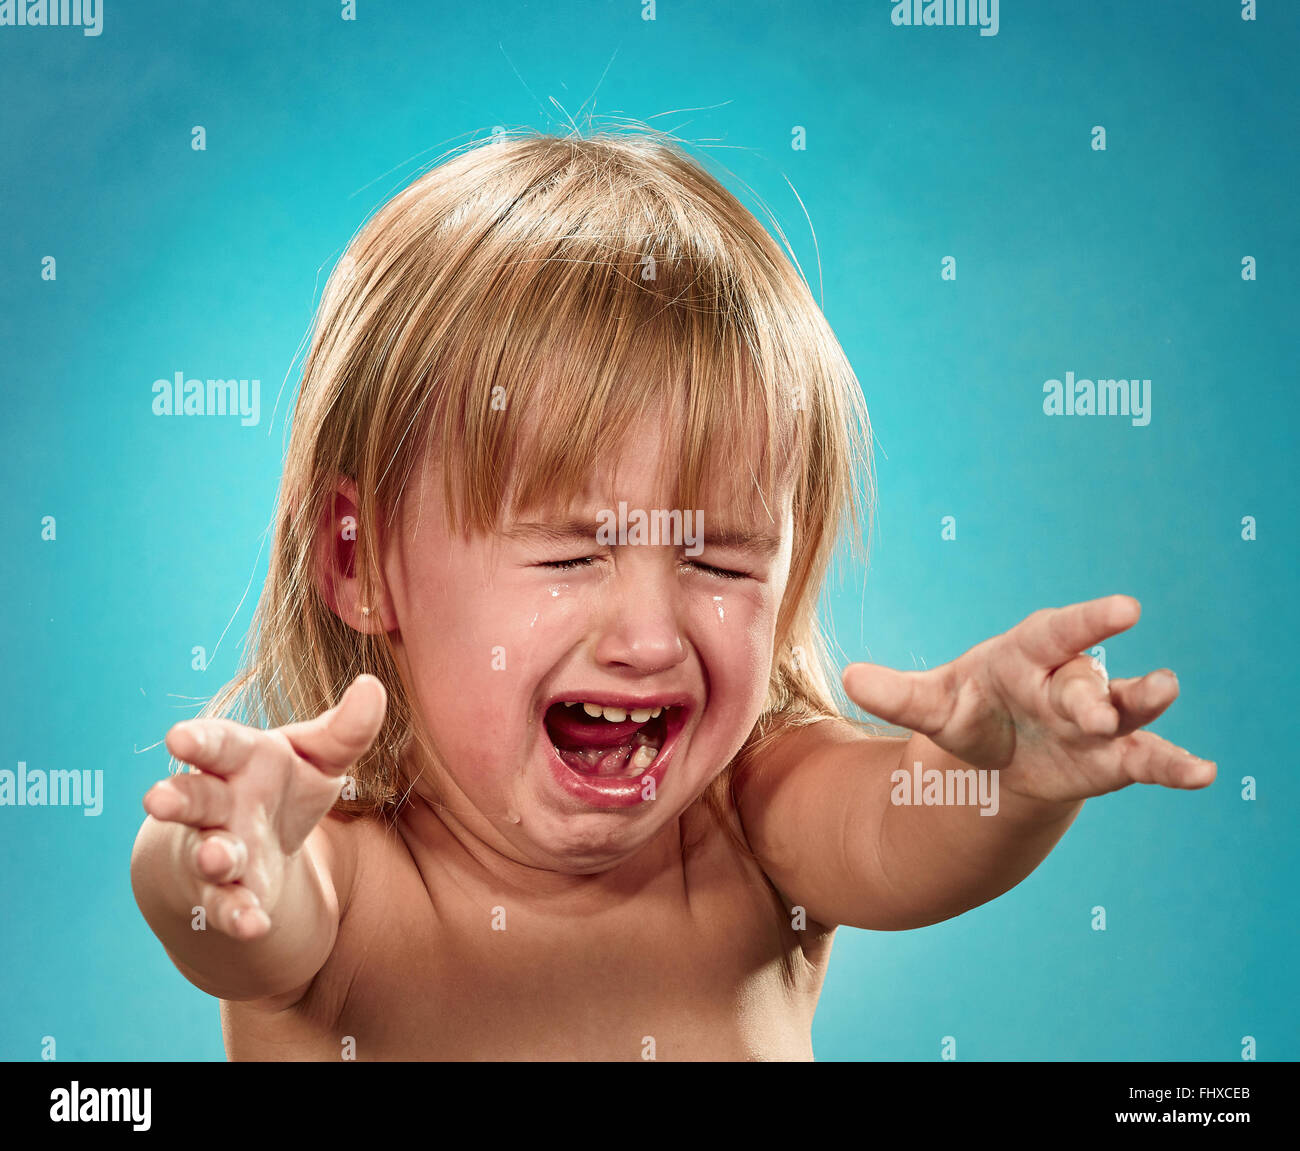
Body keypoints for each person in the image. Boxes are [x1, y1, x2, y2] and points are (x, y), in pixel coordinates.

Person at [130, 128, 1214, 1060]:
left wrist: (1010, 784)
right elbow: (233, 922)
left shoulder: (753, 826)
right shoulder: (344, 882)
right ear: (355, 558)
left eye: (720, 561)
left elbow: (901, 830)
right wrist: (217, 852)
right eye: (569, 556)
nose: (649, 637)